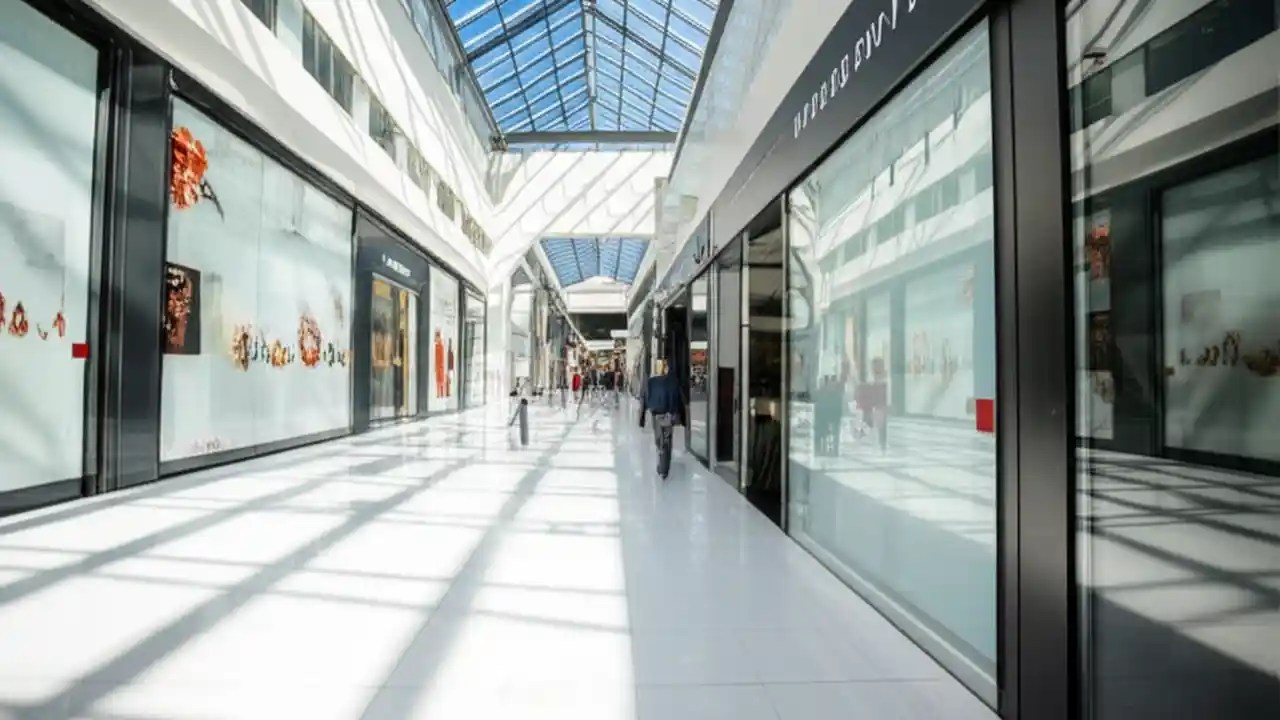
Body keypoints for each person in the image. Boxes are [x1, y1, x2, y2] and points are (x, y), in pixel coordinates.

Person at [641, 359, 681, 479]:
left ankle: (661, 456)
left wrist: (643, 415)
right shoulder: (674, 381)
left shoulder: (652, 381)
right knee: (668, 437)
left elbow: (646, 397)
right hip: (669, 412)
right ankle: (665, 462)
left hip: (656, 412)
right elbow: (677, 398)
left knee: (659, 437)